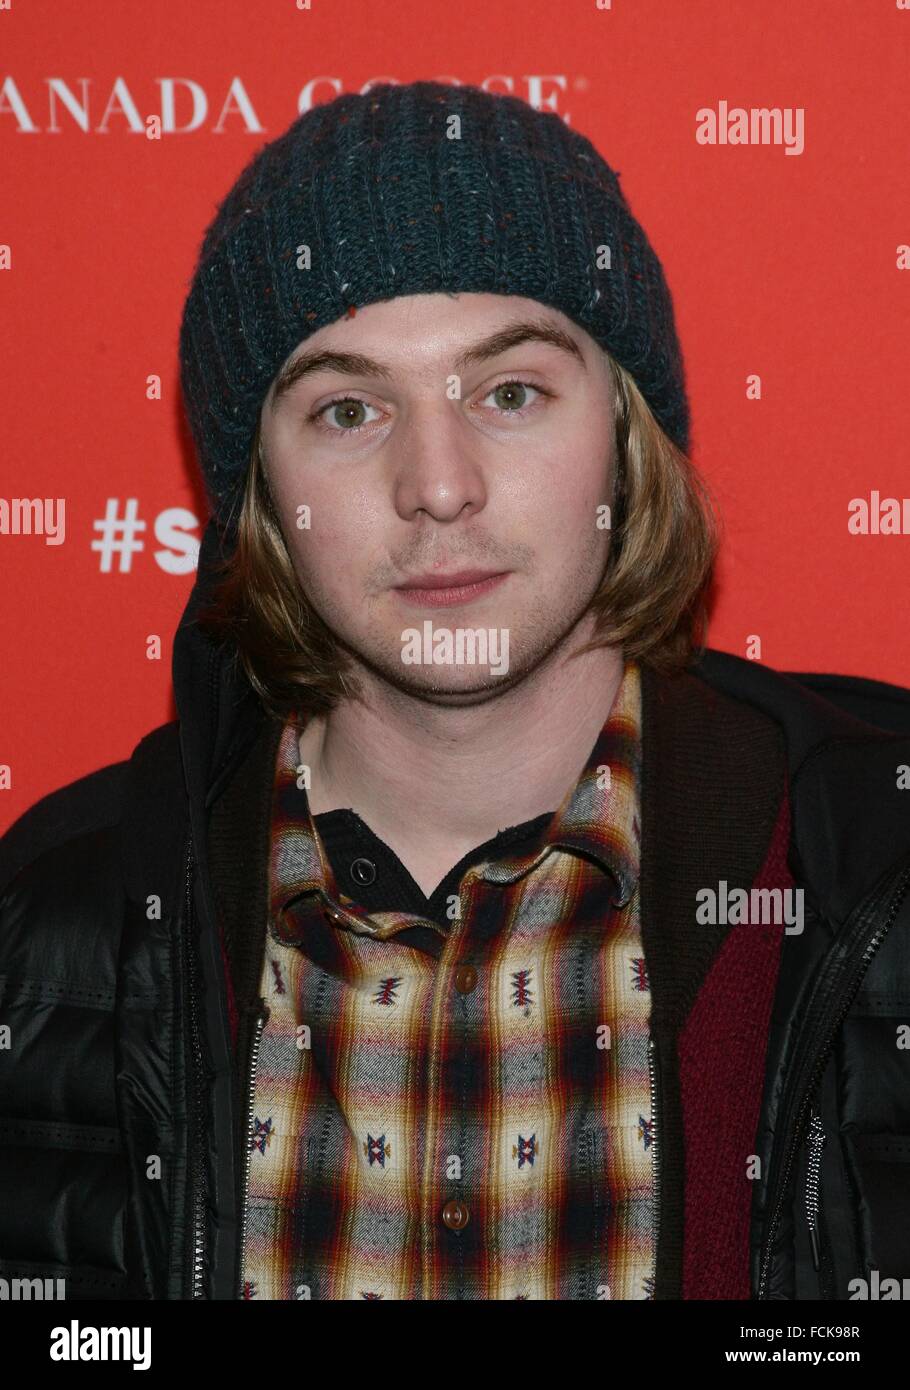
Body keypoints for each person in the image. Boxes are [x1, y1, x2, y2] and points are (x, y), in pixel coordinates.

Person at [2, 80, 909, 1303]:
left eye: (511, 393)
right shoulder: (51, 931)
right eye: (348, 408)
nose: (438, 484)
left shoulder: (876, 867)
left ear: (627, 436)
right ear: (258, 497)